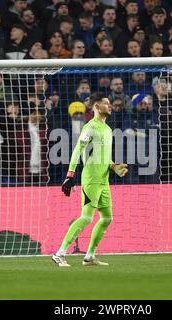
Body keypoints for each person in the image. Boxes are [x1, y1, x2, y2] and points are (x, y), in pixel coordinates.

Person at [52, 93, 128, 267]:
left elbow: (103, 156)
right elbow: (78, 150)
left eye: (110, 104)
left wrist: (114, 167)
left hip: (104, 180)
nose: (109, 106)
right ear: (96, 106)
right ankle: (59, 253)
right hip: (91, 179)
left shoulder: (107, 129)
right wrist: (70, 174)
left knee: (107, 218)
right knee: (86, 218)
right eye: (105, 104)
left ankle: (90, 256)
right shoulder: (90, 127)